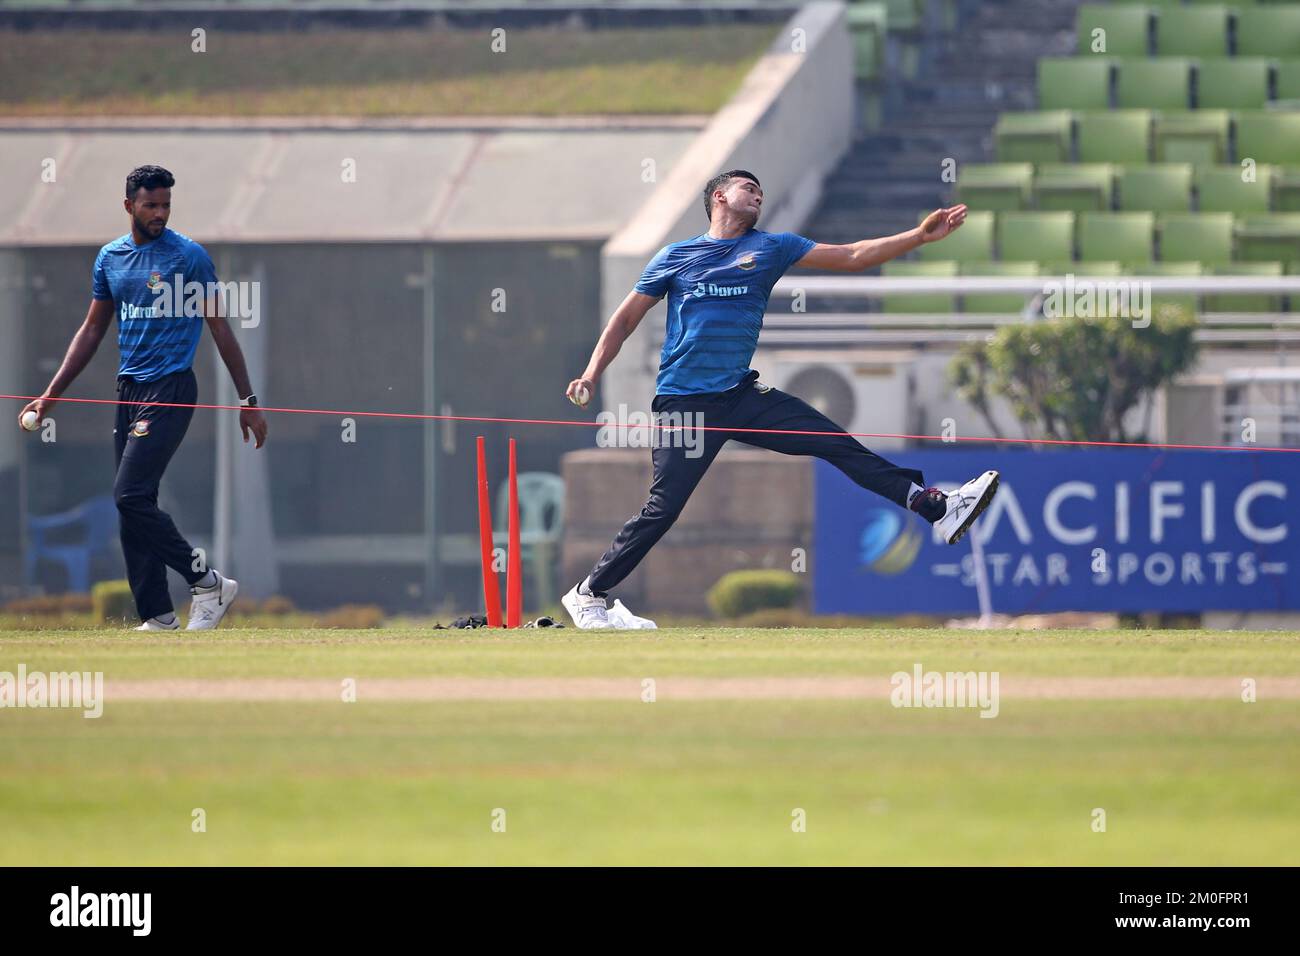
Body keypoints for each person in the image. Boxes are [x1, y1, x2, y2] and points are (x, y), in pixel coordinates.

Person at [561, 169, 998, 629]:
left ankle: (935, 506)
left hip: (742, 396)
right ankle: (590, 593)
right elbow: (625, 320)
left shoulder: (773, 247)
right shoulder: (675, 256)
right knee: (664, 507)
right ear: (719, 197)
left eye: (761, 192)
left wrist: (918, 237)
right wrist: (591, 374)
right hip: (685, 405)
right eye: (748, 189)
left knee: (833, 441)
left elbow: (851, 255)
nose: (757, 196)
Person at [17, 165, 268, 631]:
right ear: (128, 205)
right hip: (128, 389)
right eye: (151, 205)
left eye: (166, 205)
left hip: (171, 387)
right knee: (134, 503)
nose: (160, 214)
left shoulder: (188, 256)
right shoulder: (109, 258)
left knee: (128, 494)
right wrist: (50, 396)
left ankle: (207, 582)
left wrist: (248, 399)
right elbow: (93, 329)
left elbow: (219, 326)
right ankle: (157, 615)